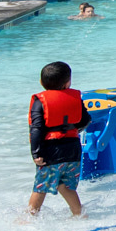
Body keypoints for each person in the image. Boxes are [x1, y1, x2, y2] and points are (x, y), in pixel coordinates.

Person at [26, 61, 87, 219]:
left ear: (41, 82)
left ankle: (29, 218)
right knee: (66, 185)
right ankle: (79, 214)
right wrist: (71, 129)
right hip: (73, 149)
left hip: (51, 151)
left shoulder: (40, 101)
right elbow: (85, 120)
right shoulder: (74, 98)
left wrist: (36, 153)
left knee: (41, 186)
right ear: (68, 82)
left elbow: (36, 128)